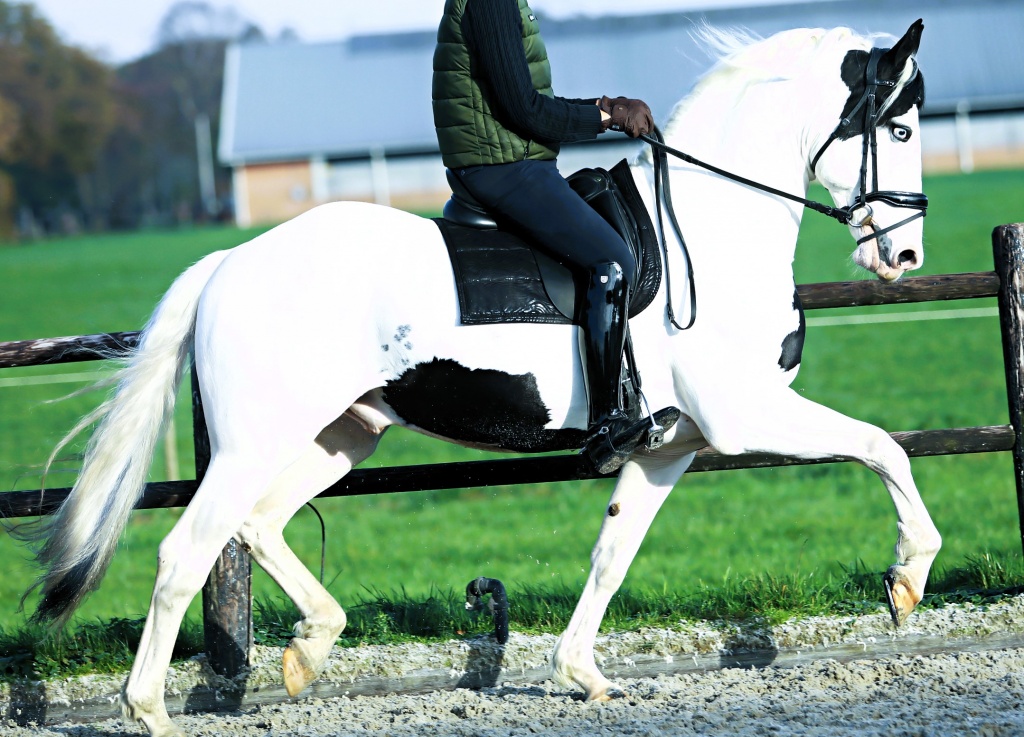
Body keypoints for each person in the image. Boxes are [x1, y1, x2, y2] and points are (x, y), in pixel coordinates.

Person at [432, 0, 655, 462]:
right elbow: (525, 111)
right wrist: (605, 118)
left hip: (512, 160)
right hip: (503, 167)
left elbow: (527, 104)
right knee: (611, 262)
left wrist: (605, 107)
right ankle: (607, 423)